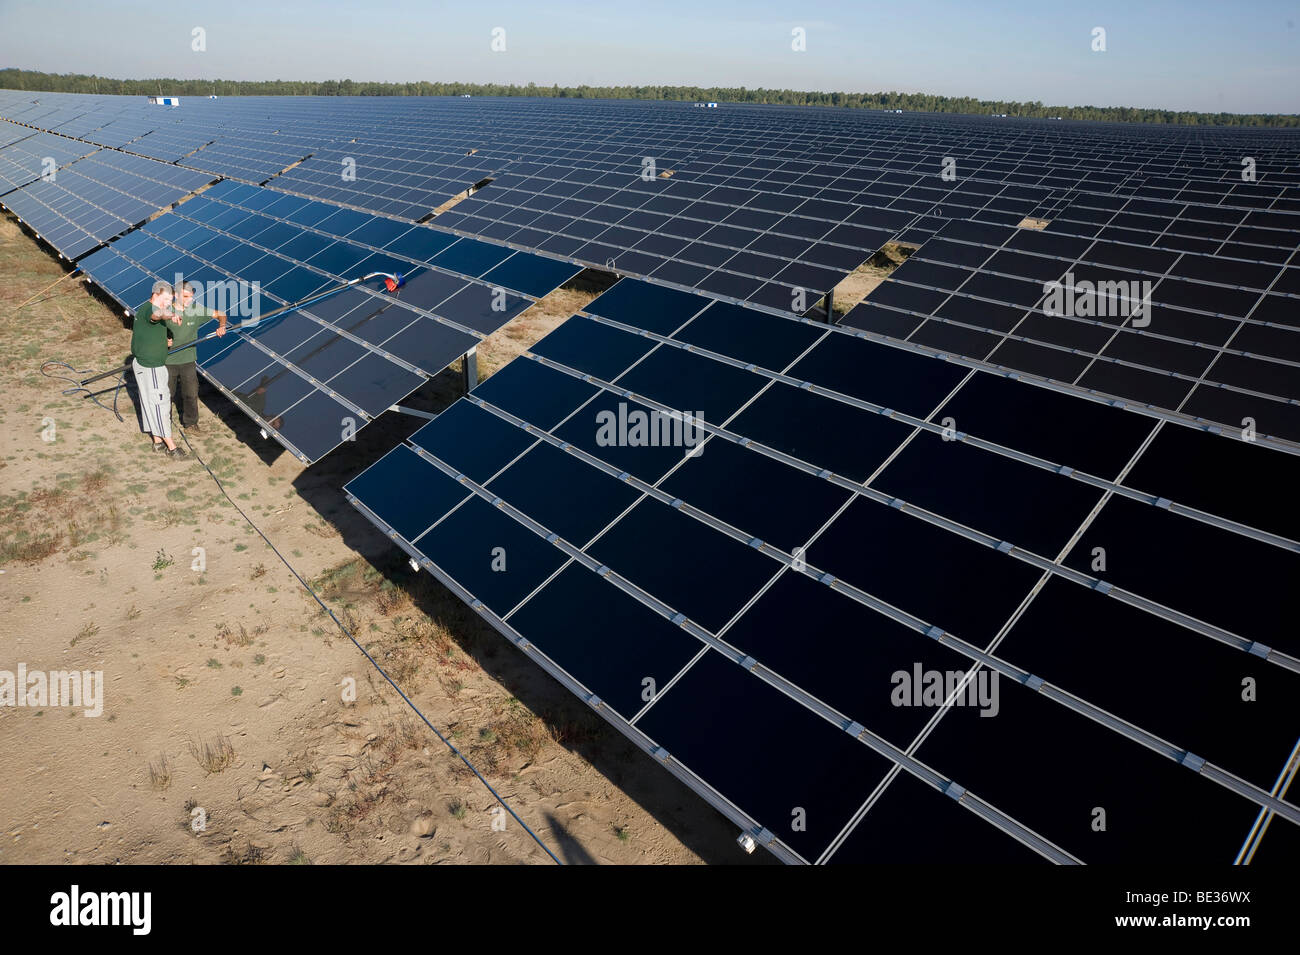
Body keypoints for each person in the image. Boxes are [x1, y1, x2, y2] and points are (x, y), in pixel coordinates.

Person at [130, 282, 186, 457]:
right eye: (166, 299)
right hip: (151, 367)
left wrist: (165, 343)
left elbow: (151, 329)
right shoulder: (150, 310)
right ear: (155, 295)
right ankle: (172, 448)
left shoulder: (144, 309)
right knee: (160, 404)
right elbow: (156, 316)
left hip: (144, 364)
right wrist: (170, 316)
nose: (168, 303)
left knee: (149, 402)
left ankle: (157, 442)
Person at [167, 280, 226, 431]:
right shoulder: (164, 311)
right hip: (167, 361)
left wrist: (222, 325)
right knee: (167, 394)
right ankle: (163, 422)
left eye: (191, 296)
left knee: (191, 394)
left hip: (188, 361)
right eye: (186, 297)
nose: (190, 300)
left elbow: (220, 313)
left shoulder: (195, 310)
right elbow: (149, 327)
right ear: (176, 295)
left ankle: (191, 423)